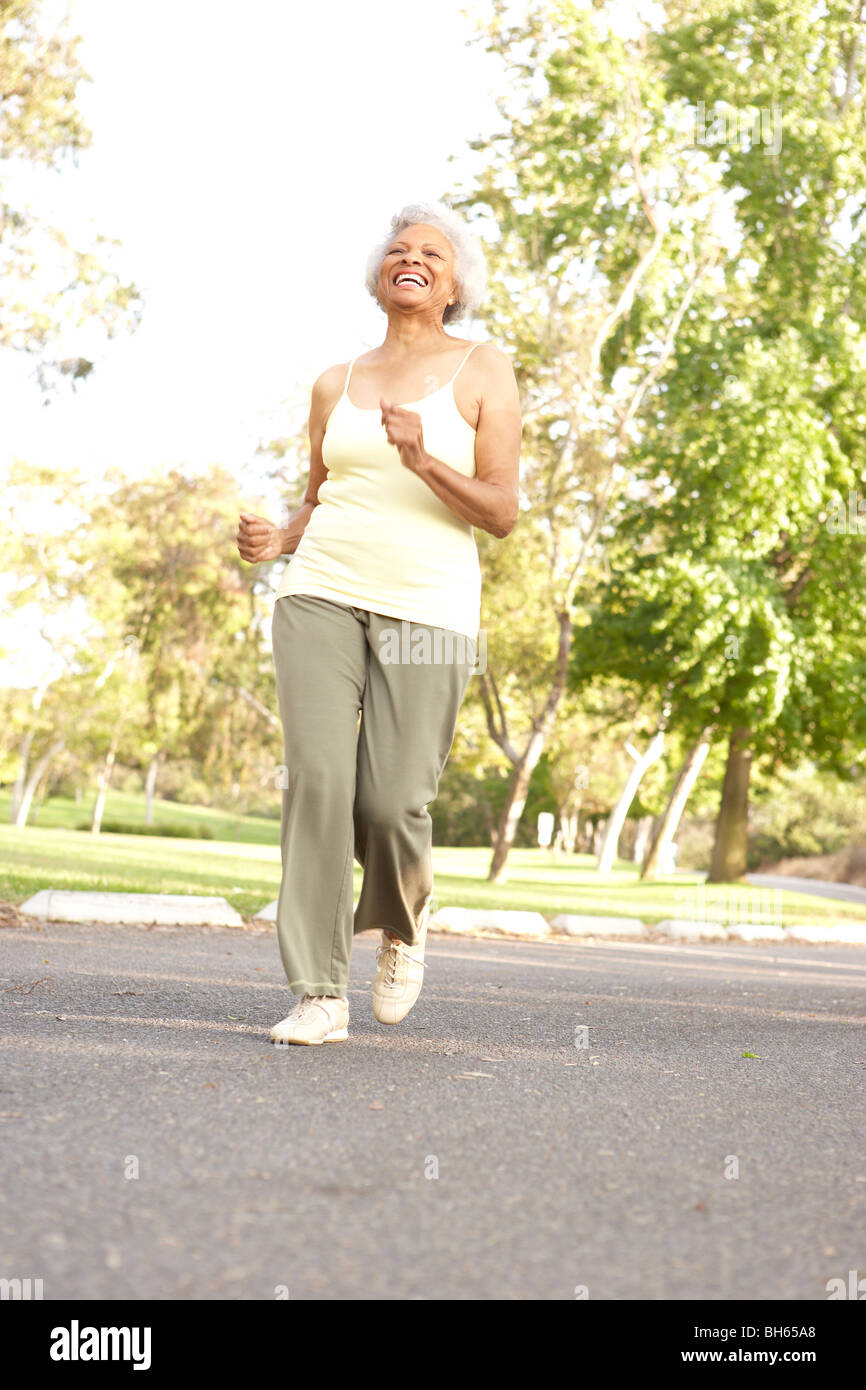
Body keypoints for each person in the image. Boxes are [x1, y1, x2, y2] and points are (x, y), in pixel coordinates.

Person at [236, 200, 521, 1045]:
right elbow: (320, 496)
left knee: (394, 801)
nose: (413, 257)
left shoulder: (483, 369)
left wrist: (425, 458)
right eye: (400, 248)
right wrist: (276, 538)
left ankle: (404, 920)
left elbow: (502, 511)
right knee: (318, 783)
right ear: (379, 276)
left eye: (433, 252)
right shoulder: (337, 382)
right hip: (320, 591)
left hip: (428, 607)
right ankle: (320, 992)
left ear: (454, 284)